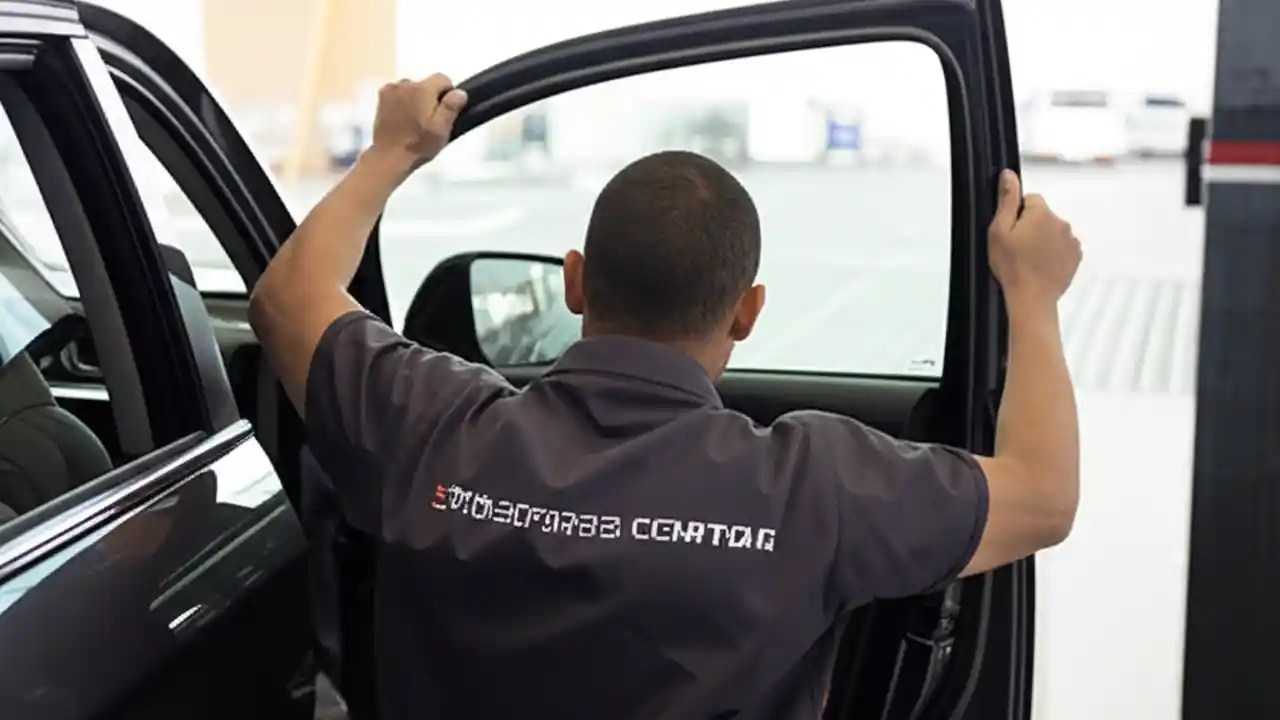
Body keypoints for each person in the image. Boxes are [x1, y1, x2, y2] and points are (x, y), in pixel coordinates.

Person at [249, 74, 1082, 719]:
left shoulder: (430, 423)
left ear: (574, 282)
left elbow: (288, 298)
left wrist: (392, 150)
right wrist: (1031, 295)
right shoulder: (818, 490)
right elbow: (1044, 496)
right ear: (749, 311)